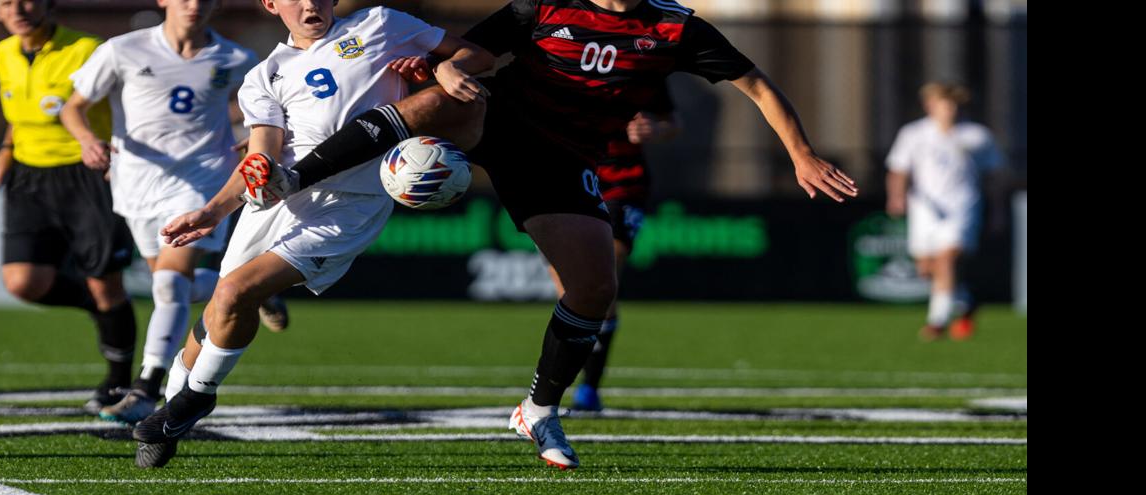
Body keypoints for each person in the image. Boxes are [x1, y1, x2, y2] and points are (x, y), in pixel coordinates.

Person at [231, 0, 858, 469]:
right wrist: (449, 71)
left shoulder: (675, 26)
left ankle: (539, 411)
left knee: (593, 287)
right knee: (439, 101)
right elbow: (475, 50)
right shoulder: (545, 5)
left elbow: (754, 83)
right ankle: (294, 177)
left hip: (558, 159)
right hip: (496, 119)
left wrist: (800, 154)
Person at [133, 0, 495, 468]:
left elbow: (477, 56)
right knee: (216, 314)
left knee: (235, 290)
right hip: (278, 200)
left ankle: (196, 399)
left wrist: (445, 67)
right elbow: (262, 156)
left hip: (347, 206)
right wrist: (213, 211)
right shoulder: (265, 76)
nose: (310, 4)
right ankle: (173, 411)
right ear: (270, 4)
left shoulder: (380, 24)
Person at [59, 0, 281, 425]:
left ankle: (146, 388)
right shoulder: (122, 49)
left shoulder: (237, 58)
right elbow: (74, 107)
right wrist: (88, 140)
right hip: (136, 184)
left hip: (201, 182)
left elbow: (263, 108)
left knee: (167, 285)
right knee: (166, 278)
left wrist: (253, 136)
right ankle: (255, 288)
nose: (193, 5)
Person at [0, 0, 139, 415]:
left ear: (48, 5)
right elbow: (20, 111)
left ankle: (119, 382)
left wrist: (117, 152)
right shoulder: (3, 52)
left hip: (86, 175)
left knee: (108, 284)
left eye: (27, 0)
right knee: (22, 282)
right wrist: (6, 150)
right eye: (6, 3)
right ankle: (98, 307)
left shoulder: (88, 49)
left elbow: (130, 102)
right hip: (28, 179)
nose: (18, 9)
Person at [555, 83, 680, 413]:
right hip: (564, 180)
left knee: (602, 278)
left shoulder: (642, 62)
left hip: (622, 185)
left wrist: (655, 128)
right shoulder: (554, 57)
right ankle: (565, 381)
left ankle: (589, 389)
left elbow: (672, 123)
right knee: (571, 290)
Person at [884, 81, 1005, 341]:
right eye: (943, 104)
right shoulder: (913, 134)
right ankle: (966, 302)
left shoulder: (977, 136)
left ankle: (936, 323)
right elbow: (898, 170)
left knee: (946, 260)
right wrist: (897, 197)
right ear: (930, 106)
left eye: (954, 104)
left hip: (963, 207)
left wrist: (997, 211)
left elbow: (994, 178)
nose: (949, 109)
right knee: (927, 269)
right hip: (924, 209)